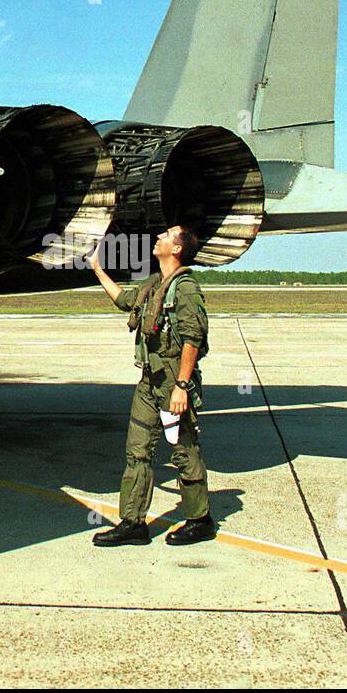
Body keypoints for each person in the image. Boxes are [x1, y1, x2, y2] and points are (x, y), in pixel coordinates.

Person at [89, 226, 216, 546]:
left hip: (173, 381)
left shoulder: (185, 289)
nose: (159, 235)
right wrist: (97, 269)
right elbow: (123, 300)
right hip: (149, 380)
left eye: (167, 235)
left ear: (176, 250)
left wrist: (182, 387)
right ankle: (133, 522)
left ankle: (200, 520)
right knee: (137, 452)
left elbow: (192, 338)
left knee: (184, 452)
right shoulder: (153, 285)